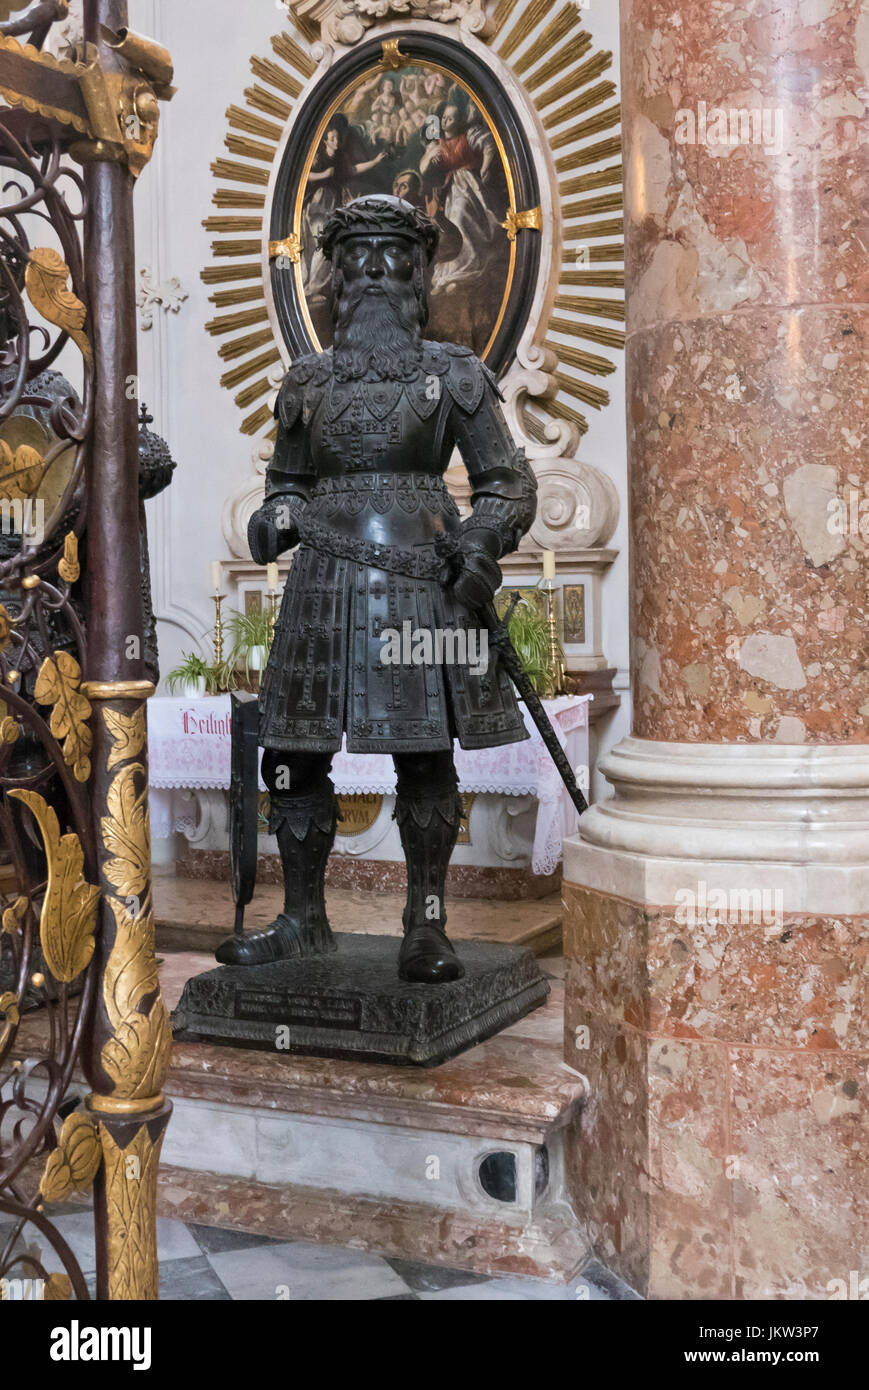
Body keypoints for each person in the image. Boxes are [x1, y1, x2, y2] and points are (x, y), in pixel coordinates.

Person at [216, 196, 537, 983]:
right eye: (356, 257)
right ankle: (302, 920)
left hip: (420, 586)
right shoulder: (307, 379)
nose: (373, 273)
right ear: (335, 274)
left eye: (392, 257)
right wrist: (277, 517)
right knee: (291, 755)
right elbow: (285, 484)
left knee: (424, 758)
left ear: (418, 272)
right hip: (320, 587)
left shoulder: (450, 373)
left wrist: (481, 540)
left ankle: (425, 924)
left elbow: (507, 485)